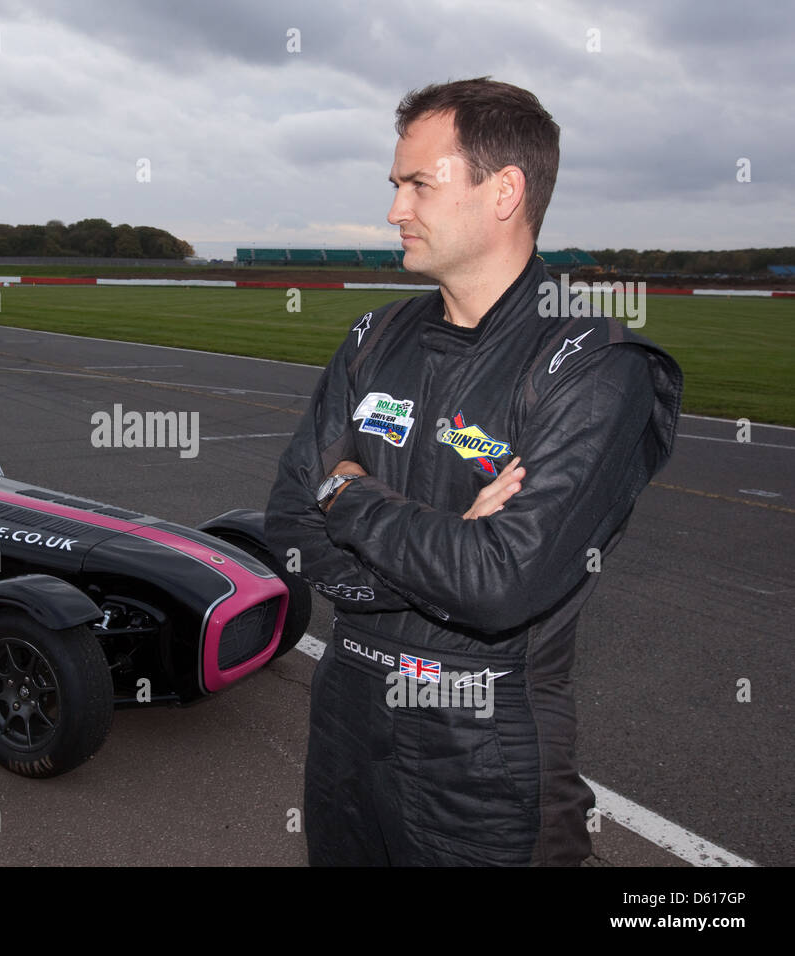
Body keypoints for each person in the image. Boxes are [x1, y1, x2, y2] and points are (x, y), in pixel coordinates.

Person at [265, 77, 683, 866]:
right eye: (396, 185)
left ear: (504, 192)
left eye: (419, 184)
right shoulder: (372, 337)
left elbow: (497, 588)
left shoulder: (592, 368)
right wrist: (443, 550)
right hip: (346, 718)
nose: (395, 210)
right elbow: (289, 524)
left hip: (482, 743)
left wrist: (349, 493)